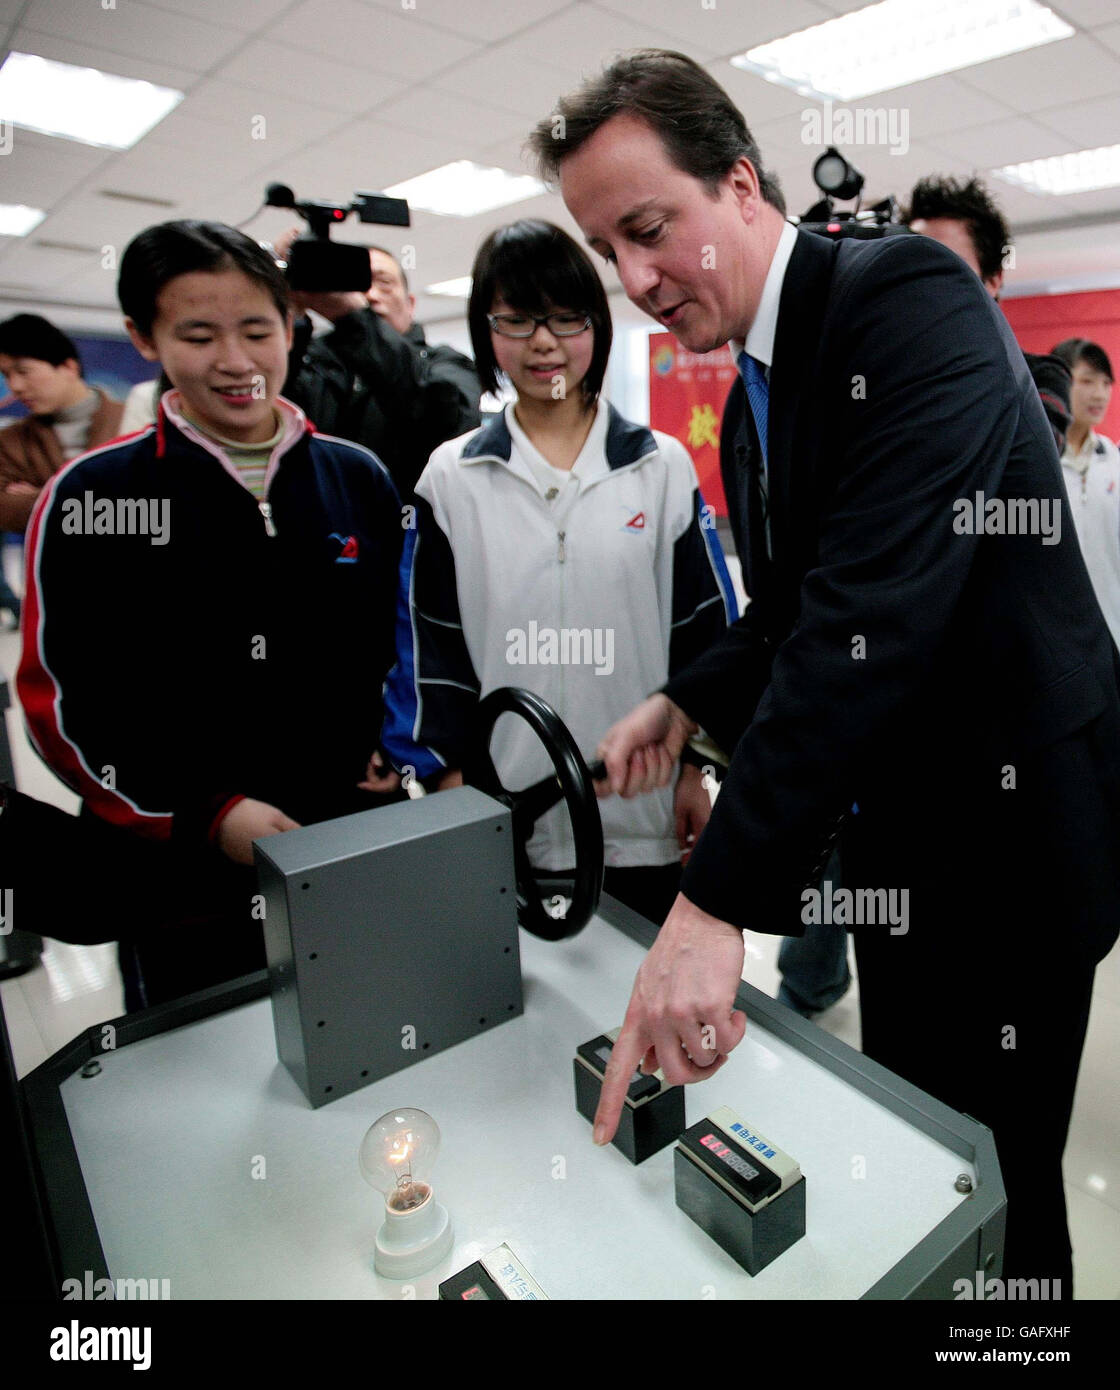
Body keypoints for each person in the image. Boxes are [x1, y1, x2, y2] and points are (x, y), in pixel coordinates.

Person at [528, 49, 1120, 1295]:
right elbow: (795, 599)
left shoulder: (906, 297)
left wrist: (711, 904)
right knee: (916, 1130)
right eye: (605, 253)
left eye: (648, 230)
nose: (632, 282)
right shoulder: (758, 383)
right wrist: (687, 697)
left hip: (1015, 836)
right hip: (903, 830)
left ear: (740, 185)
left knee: (998, 1175)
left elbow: (871, 610)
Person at [13, 221, 404, 1008]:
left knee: (365, 1036)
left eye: (257, 329)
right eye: (198, 334)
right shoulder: (96, 498)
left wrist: (396, 745)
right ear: (144, 337)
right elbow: (62, 703)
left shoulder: (355, 477)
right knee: (211, 1088)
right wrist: (209, 814)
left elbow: (397, 643)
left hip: (347, 844)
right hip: (184, 872)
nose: (235, 361)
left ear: (291, 323)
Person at [379, 219, 736, 926]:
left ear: (597, 326)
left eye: (567, 319)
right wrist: (453, 788)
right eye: (517, 319)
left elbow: (704, 632)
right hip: (506, 814)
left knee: (642, 1014)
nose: (543, 343)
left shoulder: (658, 465)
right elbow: (429, 649)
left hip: (643, 806)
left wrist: (697, 766)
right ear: (488, 332)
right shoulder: (452, 477)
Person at [277, 235, 482, 498]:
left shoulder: (444, 364)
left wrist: (355, 318)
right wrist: (288, 311)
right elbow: (268, 410)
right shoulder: (314, 362)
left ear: (410, 304)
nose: (369, 295)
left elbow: (450, 424)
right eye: (358, 284)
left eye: (384, 283)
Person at [905, 174, 1073, 452]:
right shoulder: (881, 370)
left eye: (946, 267)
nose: (926, 284)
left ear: (993, 279)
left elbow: (1033, 453)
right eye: (913, 266)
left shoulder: (1041, 377)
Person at [0, 313, 124, 533]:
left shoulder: (134, 419)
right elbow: (5, 509)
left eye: (23, 371)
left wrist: (42, 495)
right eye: (6, 375)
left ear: (69, 367)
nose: (15, 386)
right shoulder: (11, 441)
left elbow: (158, 504)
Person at [1051, 338, 1120, 651]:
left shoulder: (1114, 459)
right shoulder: (1038, 463)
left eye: (1106, 383)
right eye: (1087, 381)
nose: (1099, 394)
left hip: (1114, 631)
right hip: (1060, 642)